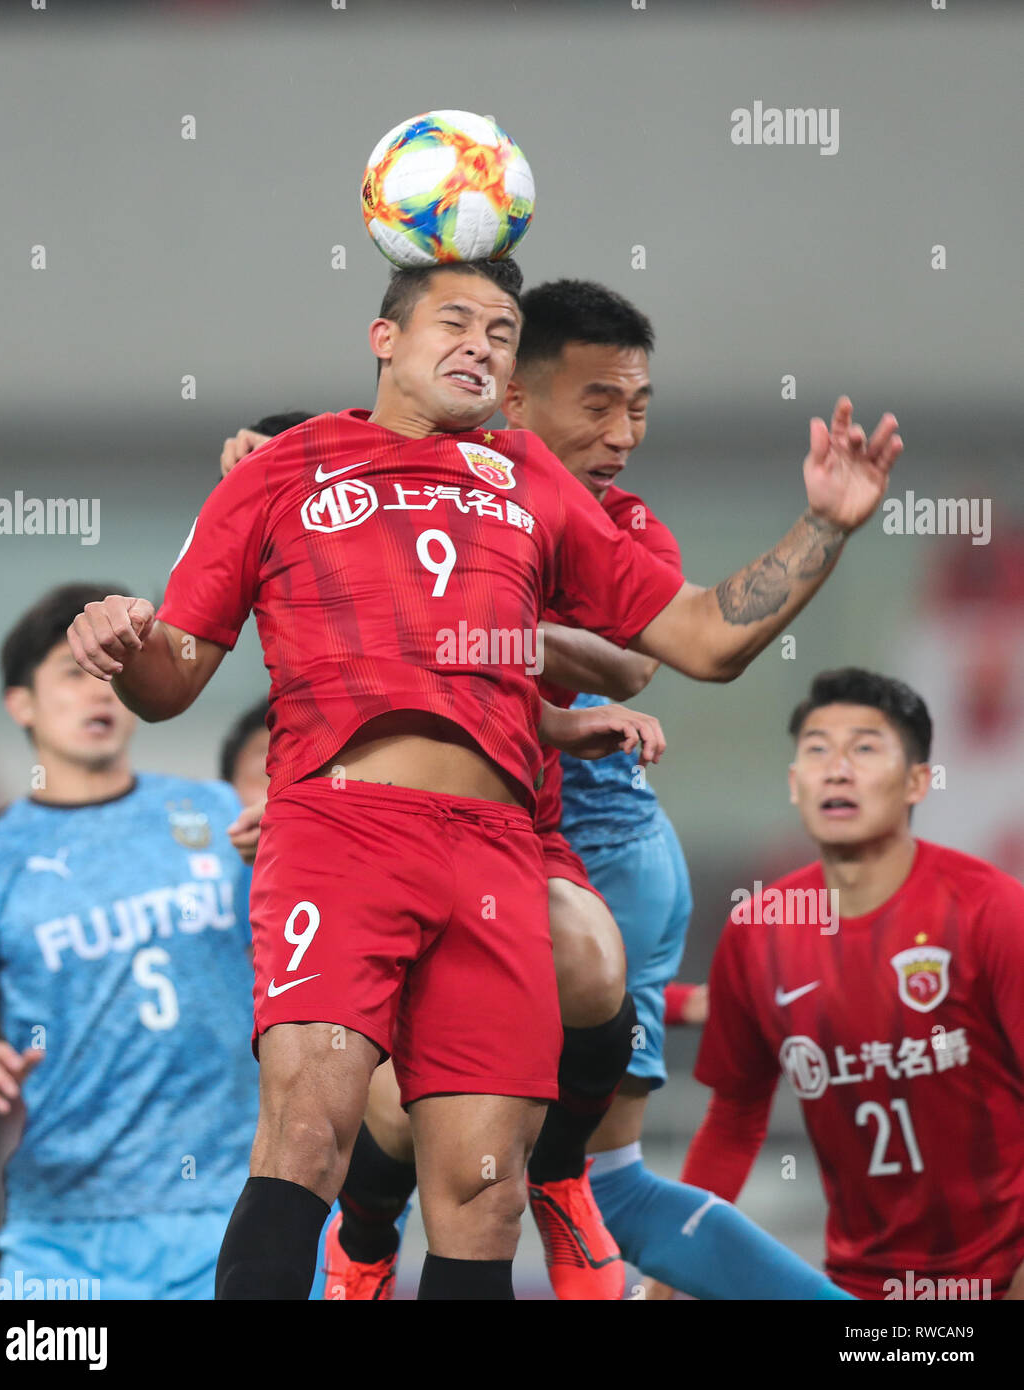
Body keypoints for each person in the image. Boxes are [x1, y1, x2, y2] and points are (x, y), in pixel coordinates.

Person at [69, 256, 900, 1301]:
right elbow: (172, 678)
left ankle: (508, 1199)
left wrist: (824, 525)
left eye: (502, 331)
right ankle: (358, 1241)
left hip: (501, 855)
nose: (481, 342)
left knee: (481, 1193)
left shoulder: (529, 478)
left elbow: (699, 637)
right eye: (454, 321)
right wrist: (121, 636)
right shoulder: (283, 468)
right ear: (385, 338)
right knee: (309, 1133)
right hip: (342, 831)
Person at [682, 668, 1024, 1300]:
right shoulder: (759, 929)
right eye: (816, 751)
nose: (836, 769)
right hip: (857, 1295)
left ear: (918, 780)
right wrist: (674, 1265)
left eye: (865, 748)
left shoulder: (994, 911)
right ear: (795, 784)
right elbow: (734, 1119)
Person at [0, 584, 257, 1300]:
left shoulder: (221, 819)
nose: (97, 692)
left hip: (231, 1215)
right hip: (63, 1238)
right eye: (70, 672)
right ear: (19, 704)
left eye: (109, 672)